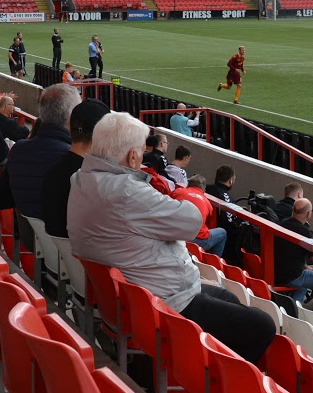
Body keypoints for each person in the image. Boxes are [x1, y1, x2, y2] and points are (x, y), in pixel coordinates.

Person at [68, 111, 275, 364]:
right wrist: (188, 196)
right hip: (163, 302)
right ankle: (217, 378)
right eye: (141, 152)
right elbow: (190, 221)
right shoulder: (127, 191)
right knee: (263, 324)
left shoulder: (80, 179)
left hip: (133, 293)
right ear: (133, 156)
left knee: (228, 297)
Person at [0, 83, 79, 249]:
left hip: (33, 245)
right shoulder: (73, 159)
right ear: (72, 116)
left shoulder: (19, 149)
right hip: (68, 255)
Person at [41, 98, 110, 239]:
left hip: (55, 257)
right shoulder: (98, 181)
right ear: (102, 135)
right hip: (85, 257)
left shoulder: (52, 173)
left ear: (68, 128)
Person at [273, 190, 313, 304]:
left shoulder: (283, 223)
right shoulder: (304, 232)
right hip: (292, 277)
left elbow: (288, 251)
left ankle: (294, 307)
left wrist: (304, 265)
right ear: (309, 214)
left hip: (277, 271)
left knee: (306, 276)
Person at [173, 176, 227, 257]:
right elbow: (209, 224)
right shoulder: (207, 203)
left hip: (173, 234)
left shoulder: (177, 191)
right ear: (203, 190)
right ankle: (212, 265)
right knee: (222, 233)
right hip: (194, 241)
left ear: (188, 185)